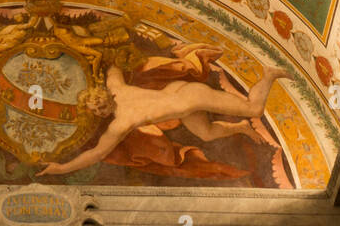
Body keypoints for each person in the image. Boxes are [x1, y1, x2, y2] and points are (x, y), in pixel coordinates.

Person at [38, 60, 290, 175]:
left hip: (191, 97)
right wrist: (62, 168)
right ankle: (242, 127)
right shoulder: (119, 119)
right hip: (184, 105)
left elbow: (112, 59)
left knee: (254, 109)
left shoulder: (119, 102)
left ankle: (268, 75)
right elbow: (96, 154)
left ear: (103, 94)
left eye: (101, 104)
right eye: (97, 111)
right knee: (207, 133)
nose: (102, 110)